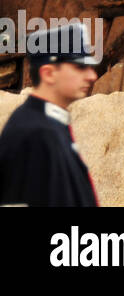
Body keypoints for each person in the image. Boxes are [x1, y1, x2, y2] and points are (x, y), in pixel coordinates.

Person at [0, 23, 98, 206]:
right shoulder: (33, 132)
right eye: (80, 67)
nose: (92, 76)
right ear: (49, 73)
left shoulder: (51, 123)